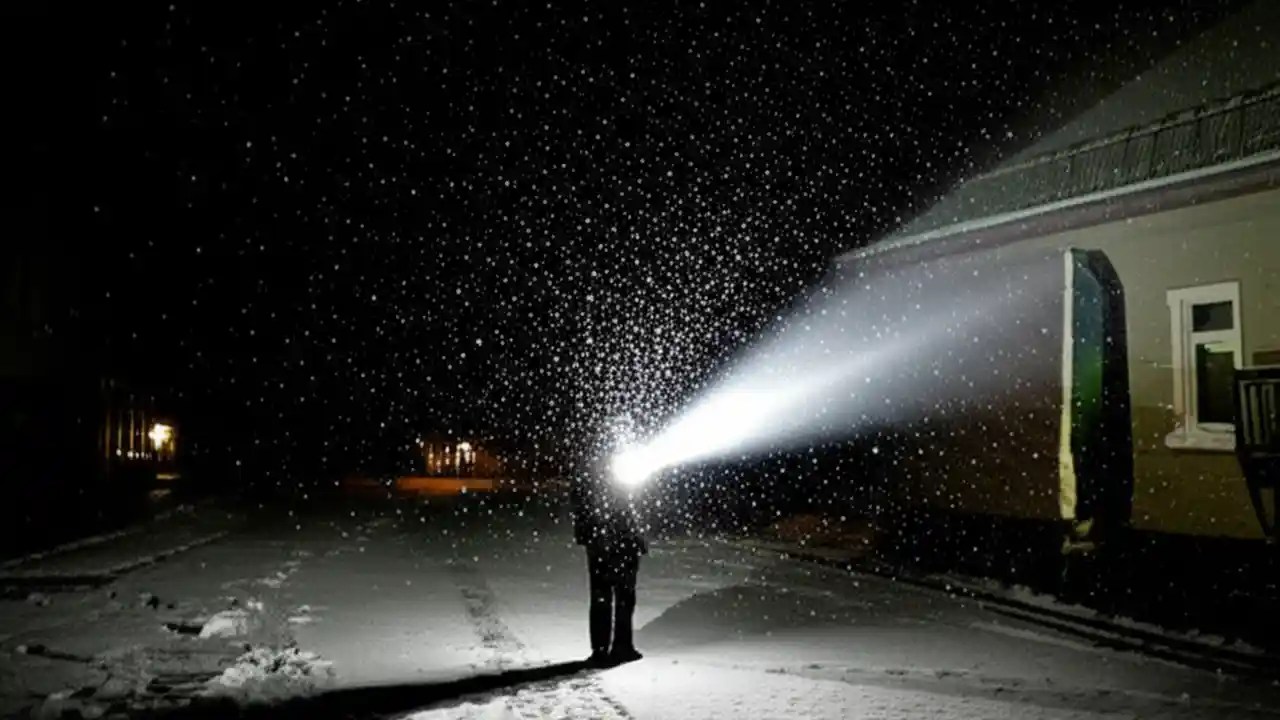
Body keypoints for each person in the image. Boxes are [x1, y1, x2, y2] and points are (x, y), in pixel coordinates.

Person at [572, 462, 647, 665]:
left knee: (601, 597)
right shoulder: (620, 477)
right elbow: (633, 509)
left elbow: (582, 508)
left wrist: (590, 536)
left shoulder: (588, 476)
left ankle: (601, 649)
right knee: (622, 597)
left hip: (601, 544)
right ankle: (620, 647)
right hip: (620, 543)